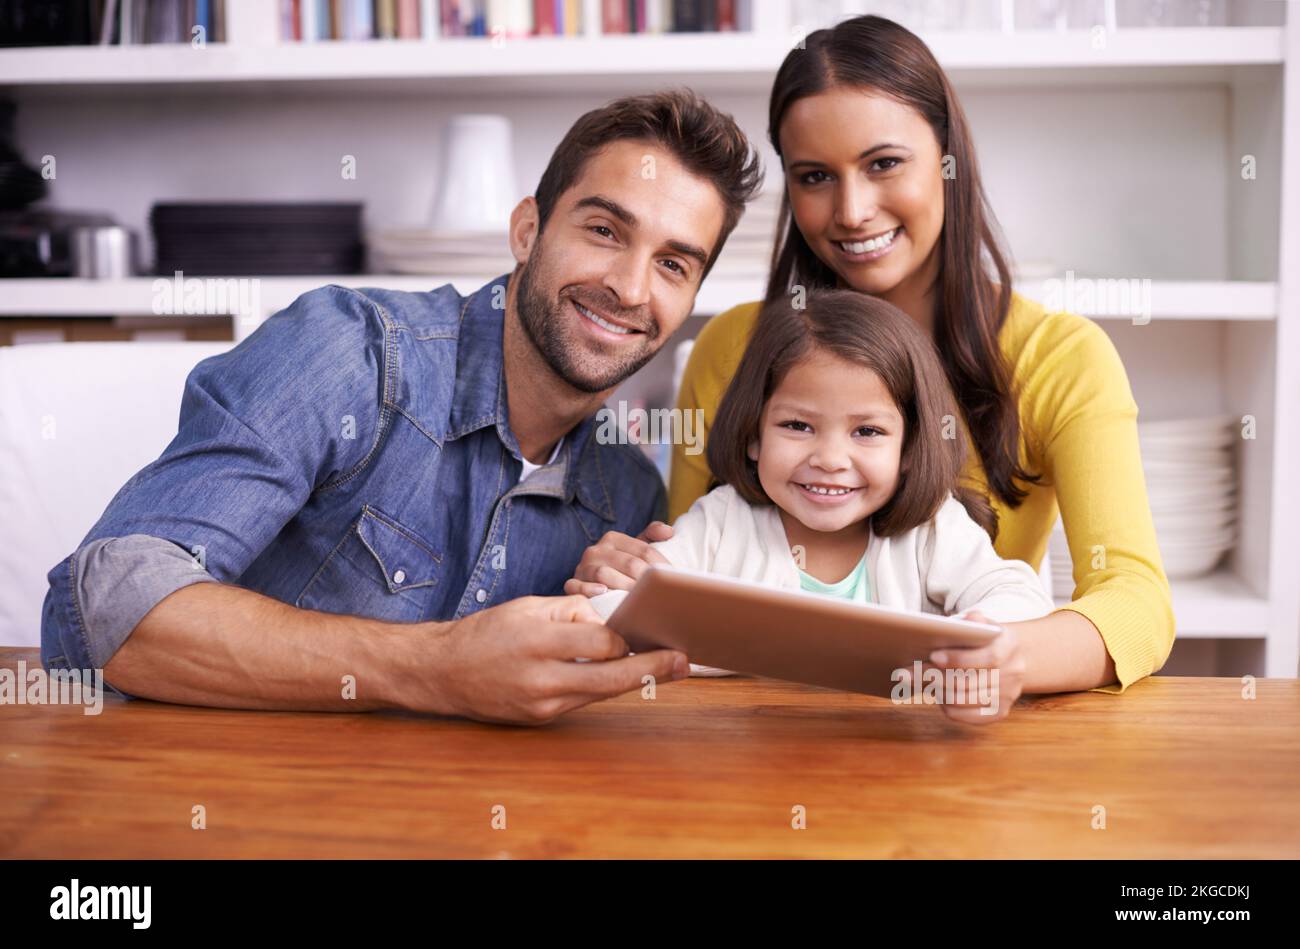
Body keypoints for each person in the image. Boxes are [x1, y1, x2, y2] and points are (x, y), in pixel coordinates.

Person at [40, 89, 763, 725]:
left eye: (674, 264)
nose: (632, 288)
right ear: (527, 230)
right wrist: (436, 665)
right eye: (604, 230)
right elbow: (105, 603)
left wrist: (621, 619)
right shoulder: (346, 351)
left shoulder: (626, 494)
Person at [568, 16, 1175, 713]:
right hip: (747, 732)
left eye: (884, 163)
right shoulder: (732, 350)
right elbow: (707, 565)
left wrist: (1010, 656)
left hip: (946, 725)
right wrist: (636, 575)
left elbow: (1137, 601)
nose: (852, 211)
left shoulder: (1059, 358)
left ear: (948, 158)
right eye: (816, 176)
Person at [575, 290, 1054, 715]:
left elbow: (1020, 600)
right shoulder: (722, 520)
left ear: (908, 451)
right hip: (750, 766)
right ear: (753, 435)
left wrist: (977, 642)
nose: (829, 459)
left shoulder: (932, 529)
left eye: (867, 432)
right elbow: (617, 610)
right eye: (797, 426)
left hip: (896, 762)